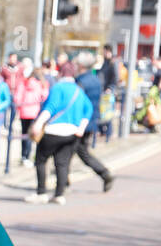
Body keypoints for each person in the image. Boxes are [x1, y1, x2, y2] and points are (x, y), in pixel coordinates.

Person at [26, 72, 91, 206]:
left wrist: (38, 124)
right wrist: (82, 127)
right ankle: (59, 195)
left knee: (40, 161)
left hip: (53, 130)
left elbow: (51, 107)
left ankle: (41, 193)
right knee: (62, 163)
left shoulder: (57, 88)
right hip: (72, 132)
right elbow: (88, 108)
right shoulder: (79, 90)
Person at [72, 52, 114, 192]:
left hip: (80, 123)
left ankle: (104, 173)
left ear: (81, 66)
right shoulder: (96, 79)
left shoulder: (81, 81)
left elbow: (77, 103)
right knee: (76, 151)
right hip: (91, 121)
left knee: (78, 152)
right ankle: (63, 182)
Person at [13, 59, 47, 165]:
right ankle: (32, 156)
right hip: (35, 111)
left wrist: (18, 109)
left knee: (24, 134)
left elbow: (17, 97)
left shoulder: (23, 83)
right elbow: (44, 96)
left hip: (24, 112)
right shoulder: (40, 84)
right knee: (34, 135)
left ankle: (24, 156)